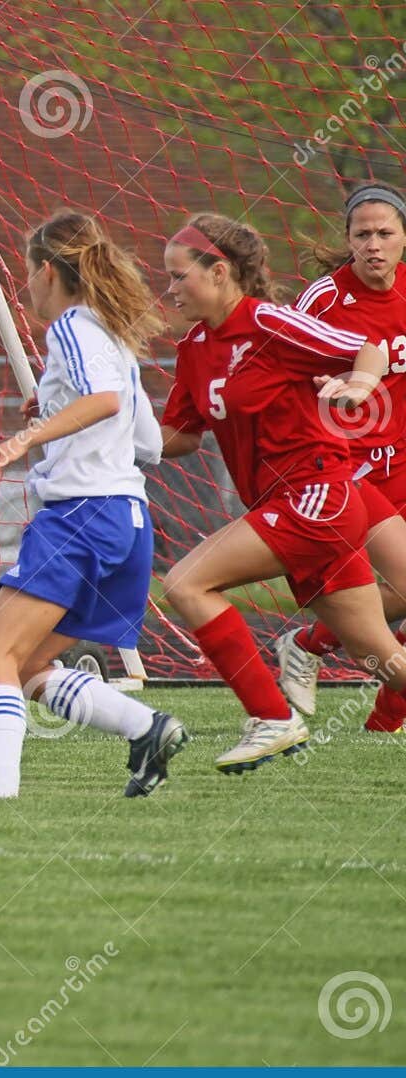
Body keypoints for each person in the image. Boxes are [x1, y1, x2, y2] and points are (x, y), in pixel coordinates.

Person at [158, 212, 406, 773]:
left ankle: (272, 718)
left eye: (178, 276)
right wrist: (89, 426)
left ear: (218, 272)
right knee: (380, 655)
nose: (169, 289)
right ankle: (286, 700)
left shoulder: (270, 323)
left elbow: (365, 348)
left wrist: (360, 386)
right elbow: (178, 438)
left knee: (187, 583)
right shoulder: (196, 345)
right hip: (286, 504)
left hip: (317, 494)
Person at [0, 210, 183, 799]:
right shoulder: (113, 335)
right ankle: (147, 728)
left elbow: (104, 401)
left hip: (80, 517)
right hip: (127, 519)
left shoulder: (70, 326)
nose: (26, 285)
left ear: (46, 272)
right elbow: (147, 442)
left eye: (27, 272)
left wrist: (28, 437)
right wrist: (54, 410)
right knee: (30, 666)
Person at [273, 183, 406, 729]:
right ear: (348, 239)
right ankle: (308, 644)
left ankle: (381, 724)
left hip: (403, 459)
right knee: (398, 589)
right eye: (362, 234)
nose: (373, 244)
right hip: (349, 469)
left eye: (385, 233)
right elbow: (283, 369)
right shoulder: (325, 299)